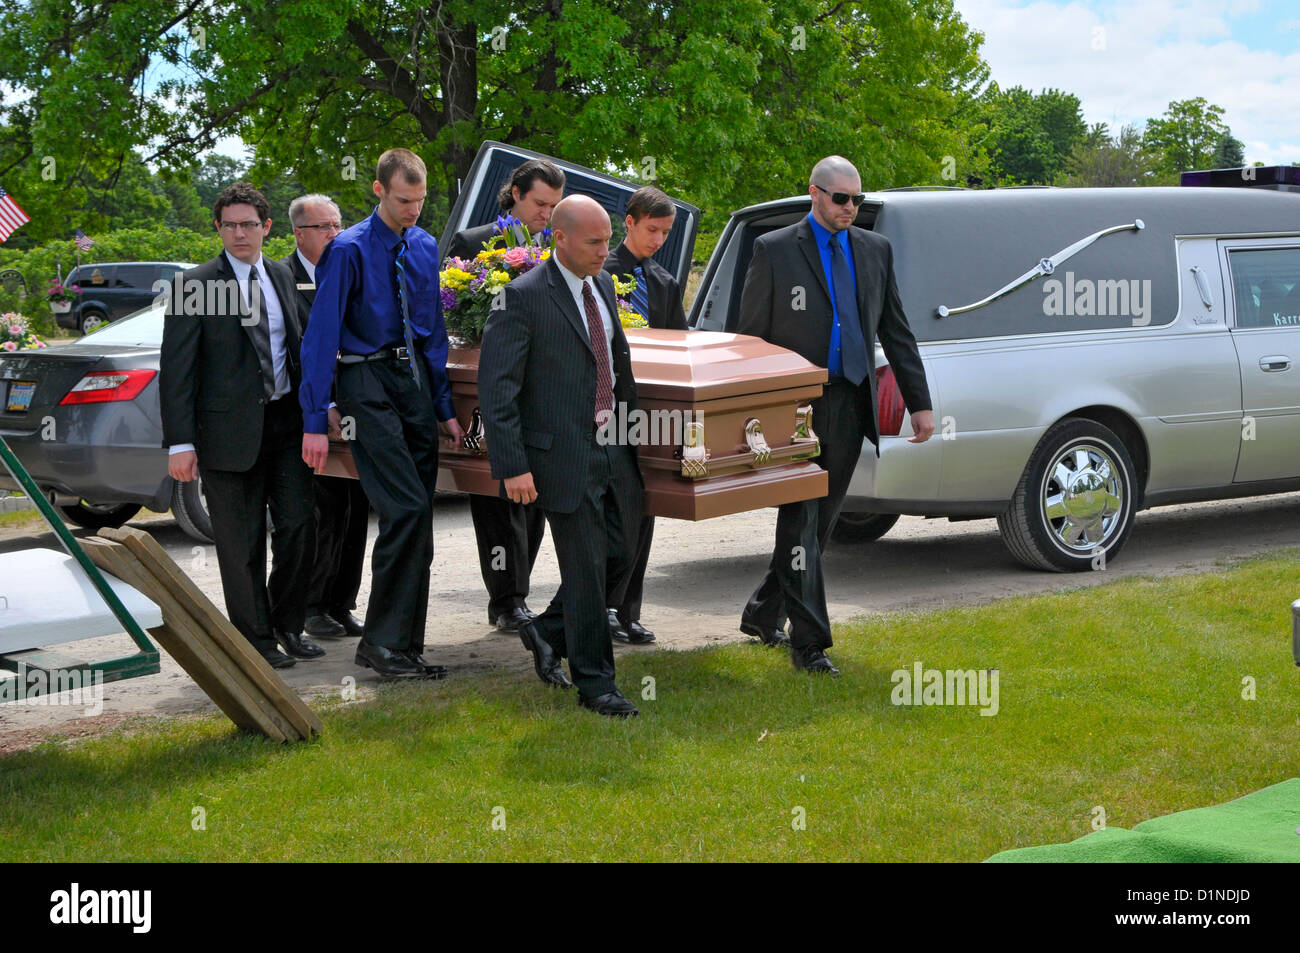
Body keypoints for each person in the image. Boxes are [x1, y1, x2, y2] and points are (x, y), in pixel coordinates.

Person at [737, 156, 935, 675]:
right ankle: (811, 645)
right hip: (795, 407)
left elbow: (896, 330)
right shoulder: (775, 250)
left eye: (857, 200)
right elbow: (750, 339)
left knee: (820, 523)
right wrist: (755, 411)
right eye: (840, 198)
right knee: (801, 519)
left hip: (850, 401)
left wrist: (921, 403)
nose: (850, 207)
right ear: (814, 194)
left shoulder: (875, 250)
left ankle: (763, 613)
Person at [300, 149, 464, 679]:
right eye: (402, 200)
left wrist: (443, 406)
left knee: (420, 518)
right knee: (406, 510)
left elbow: (432, 333)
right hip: (363, 380)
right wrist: (313, 416)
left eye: (419, 200)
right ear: (378, 190)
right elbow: (320, 336)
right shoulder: (346, 250)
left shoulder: (425, 245)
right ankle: (381, 644)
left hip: (411, 378)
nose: (413, 209)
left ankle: (404, 646)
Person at [479, 194, 644, 717]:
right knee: (587, 566)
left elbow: (616, 362)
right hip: (559, 456)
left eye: (606, 240)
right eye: (594, 242)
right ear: (560, 239)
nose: (604, 251)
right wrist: (513, 465)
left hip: (612, 444)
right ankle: (597, 686)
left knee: (622, 549)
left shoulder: (600, 285)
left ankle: (547, 632)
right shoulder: (522, 297)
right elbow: (497, 387)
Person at [160, 182, 321, 669]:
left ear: (267, 227)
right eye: (228, 224)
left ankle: (286, 624)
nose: (238, 233)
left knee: (299, 526)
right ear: (218, 228)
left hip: (286, 423)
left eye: (248, 224)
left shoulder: (282, 277)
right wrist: (180, 443)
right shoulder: (196, 286)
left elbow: (300, 350)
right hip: (225, 436)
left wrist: (321, 410)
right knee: (241, 541)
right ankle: (255, 639)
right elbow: (178, 370)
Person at [445, 159, 565, 634]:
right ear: (514, 193)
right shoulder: (474, 244)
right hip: (493, 388)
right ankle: (505, 599)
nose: (547, 214)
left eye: (554, 206)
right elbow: (453, 316)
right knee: (496, 503)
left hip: (545, 389)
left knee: (532, 501)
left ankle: (520, 591)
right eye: (540, 203)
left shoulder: (557, 246)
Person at [601, 185, 687, 645]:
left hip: (647, 411)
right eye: (652, 229)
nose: (658, 240)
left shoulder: (666, 282)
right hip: (602, 408)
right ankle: (602, 607)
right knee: (609, 515)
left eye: (665, 233)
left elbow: (679, 349)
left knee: (644, 511)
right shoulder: (600, 273)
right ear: (628, 222)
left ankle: (628, 609)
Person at [281, 193, 369, 640]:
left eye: (338, 224)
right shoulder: (283, 279)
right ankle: (313, 604)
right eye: (325, 227)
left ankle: (341, 602)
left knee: (355, 510)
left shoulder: (351, 267)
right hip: (312, 415)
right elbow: (295, 353)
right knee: (322, 512)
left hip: (358, 409)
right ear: (300, 233)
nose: (336, 234)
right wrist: (325, 406)